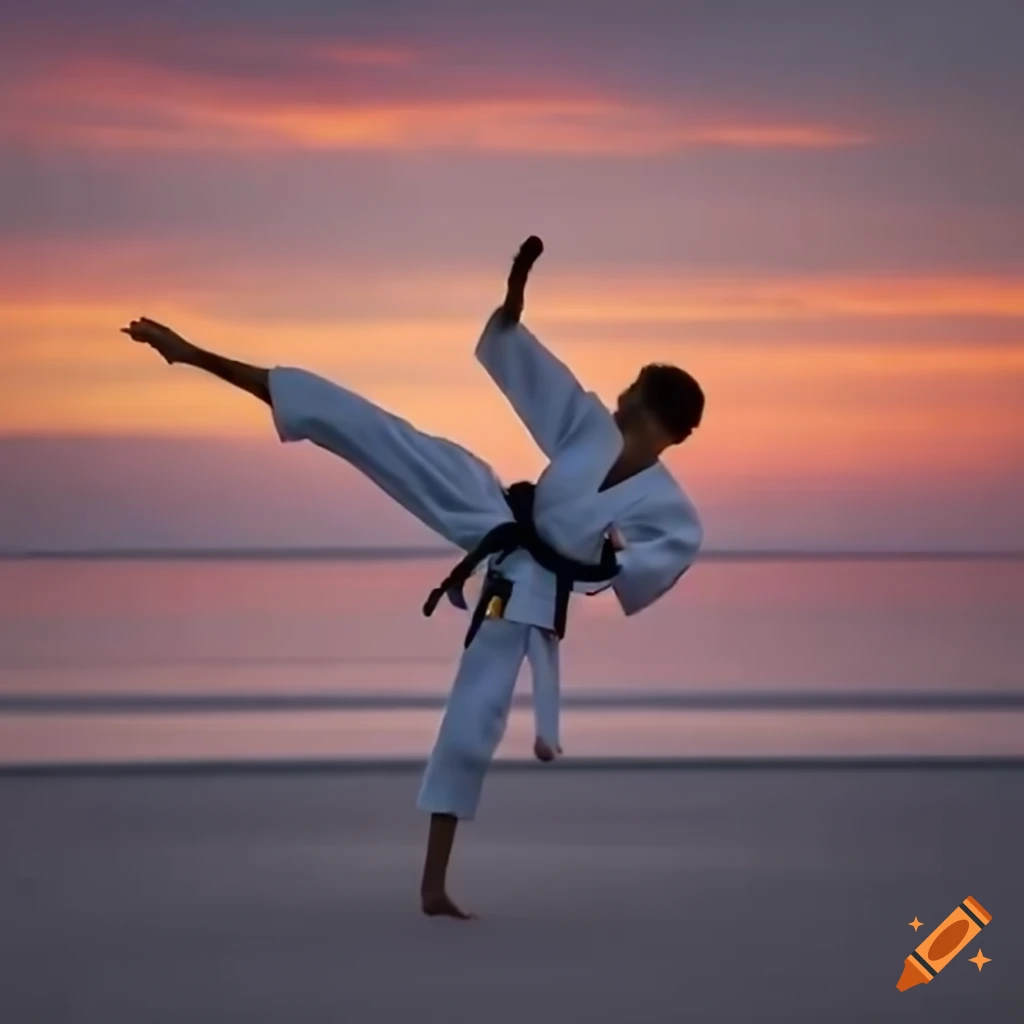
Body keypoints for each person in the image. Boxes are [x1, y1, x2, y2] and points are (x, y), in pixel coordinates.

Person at [122, 236, 705, 919]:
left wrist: (609, 557)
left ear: (651, 414)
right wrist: (513, 306)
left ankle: (434, 886)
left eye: (631, 392)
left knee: (469, 728)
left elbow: (660, 554)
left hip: (525, 597)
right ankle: (194, 356)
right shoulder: (587, 425)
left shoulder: (668, 504)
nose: (618, 396)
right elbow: (521, 358)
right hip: (490, 512)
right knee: (373, 428)